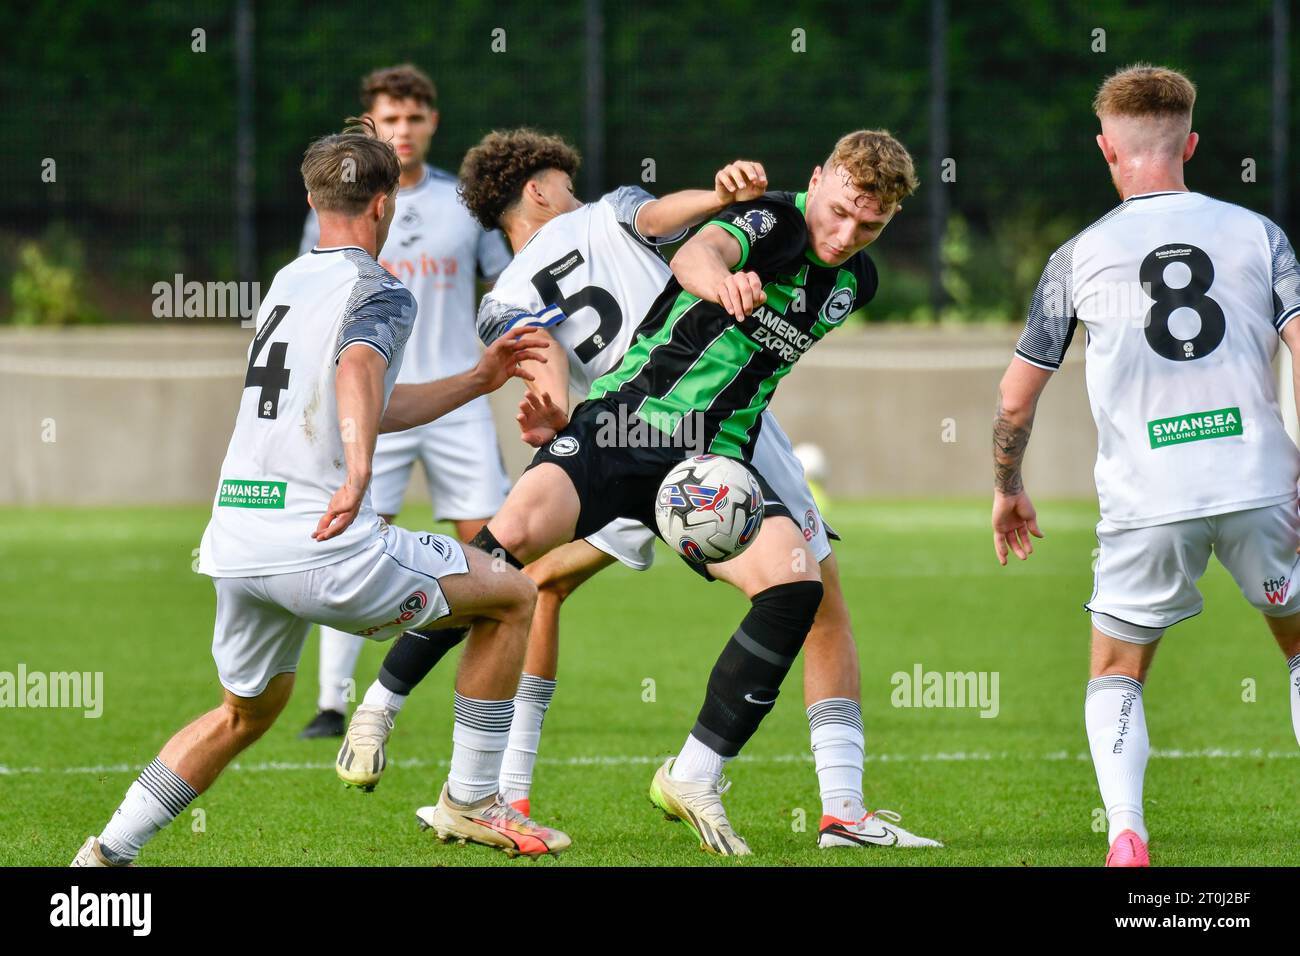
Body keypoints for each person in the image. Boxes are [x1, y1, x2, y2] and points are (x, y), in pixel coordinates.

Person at [338, 128, 941, 853]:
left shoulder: (854, 283)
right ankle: (379, 705)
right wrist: (719, 275)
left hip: (707, 466)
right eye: (839, 210)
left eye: (869, 225)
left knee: (795, 585)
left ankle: (695, 772)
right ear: (818, 178)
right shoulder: (774, 220)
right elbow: (696, 249)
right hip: (624, 429)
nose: (845, 235)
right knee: (500, 557)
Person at [71, 120, 565, 866]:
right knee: (512, 595)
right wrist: (361, 473)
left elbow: (356, 403)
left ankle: (106, 854)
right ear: (387, 199)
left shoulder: (288, 282)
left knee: (243, 716)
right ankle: (470, 800)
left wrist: (475, 378)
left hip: (239, 543)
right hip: (324, 544)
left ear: (311, 197)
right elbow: (358, 374)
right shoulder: (380, 292)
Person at [991, 64, 1300, 867]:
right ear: (1190, 144)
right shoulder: (1259, 235)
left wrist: (1007, 487)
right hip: (1260, 482)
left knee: (1118, 670)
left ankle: (1126, 832)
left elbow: (1016, 400)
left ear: (1106, 150)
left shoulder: (1077, 257)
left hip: (1146, 498)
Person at [296, 64, 513, 740]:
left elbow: (507, 288)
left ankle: (499, 694)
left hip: (458, 402)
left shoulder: (466, 202)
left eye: (414, 119)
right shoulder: (346, 202)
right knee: (349, 538)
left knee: (497, 549)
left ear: (433, 122)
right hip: (375, 406)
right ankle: (334, 704)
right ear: (371, 126)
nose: (404, 130)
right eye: (390, 120)